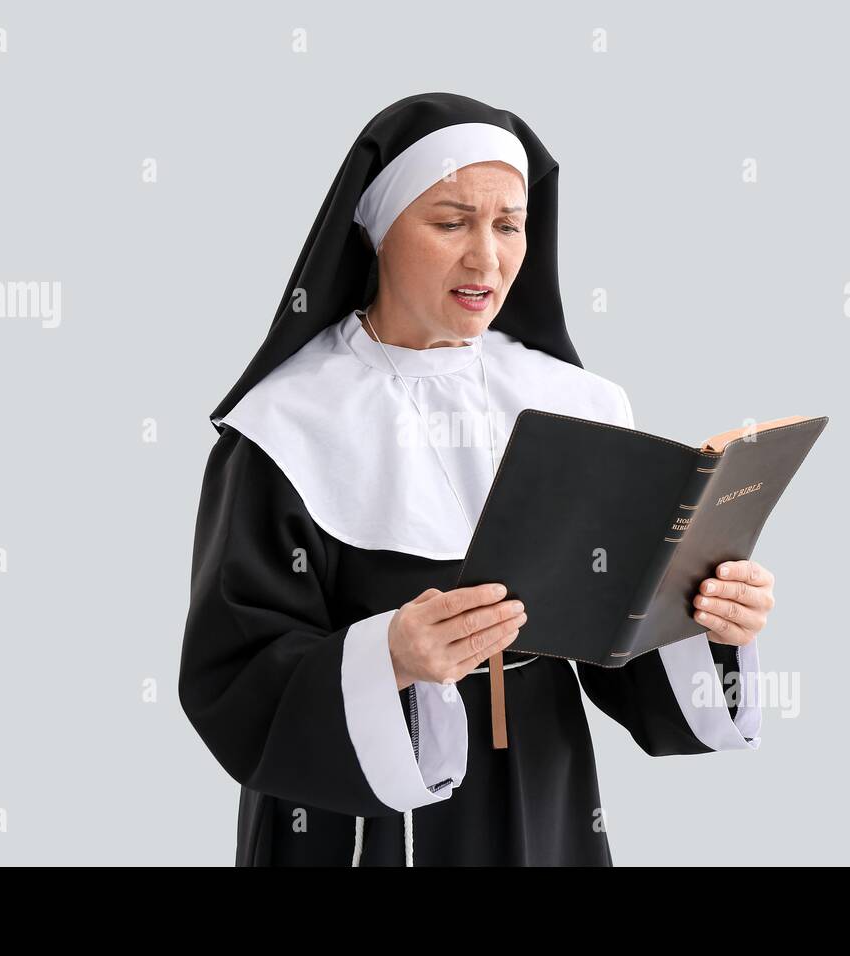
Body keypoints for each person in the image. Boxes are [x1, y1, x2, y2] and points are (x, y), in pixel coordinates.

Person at [178, 92, 778, 866]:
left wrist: (707, 615)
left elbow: (620, 649)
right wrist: (387, 657)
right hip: (356, 819)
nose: (486, 258)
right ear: (375, 228)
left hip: (543, 790)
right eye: (450, 221)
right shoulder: (287, 423)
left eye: (508, 225)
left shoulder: (576, 404)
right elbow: (231, 674)